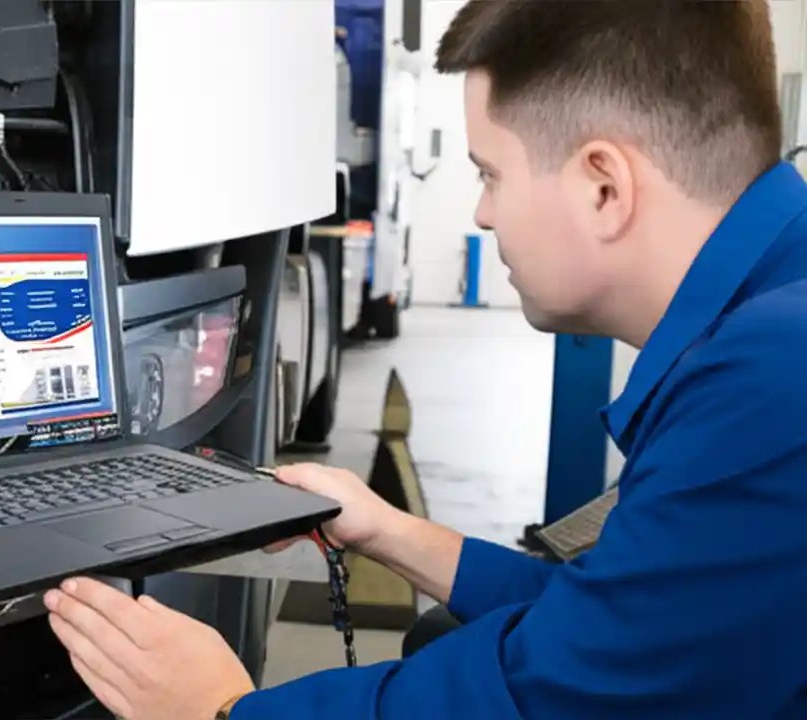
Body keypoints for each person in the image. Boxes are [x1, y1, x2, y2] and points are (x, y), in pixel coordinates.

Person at [43, 1, 807, 717]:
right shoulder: (772, 327)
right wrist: (383, 530)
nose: (482, 212)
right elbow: (624, 620)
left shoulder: (769, 384)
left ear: (604, 187)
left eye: (490, 174)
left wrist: (222, 706)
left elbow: (555, 695)